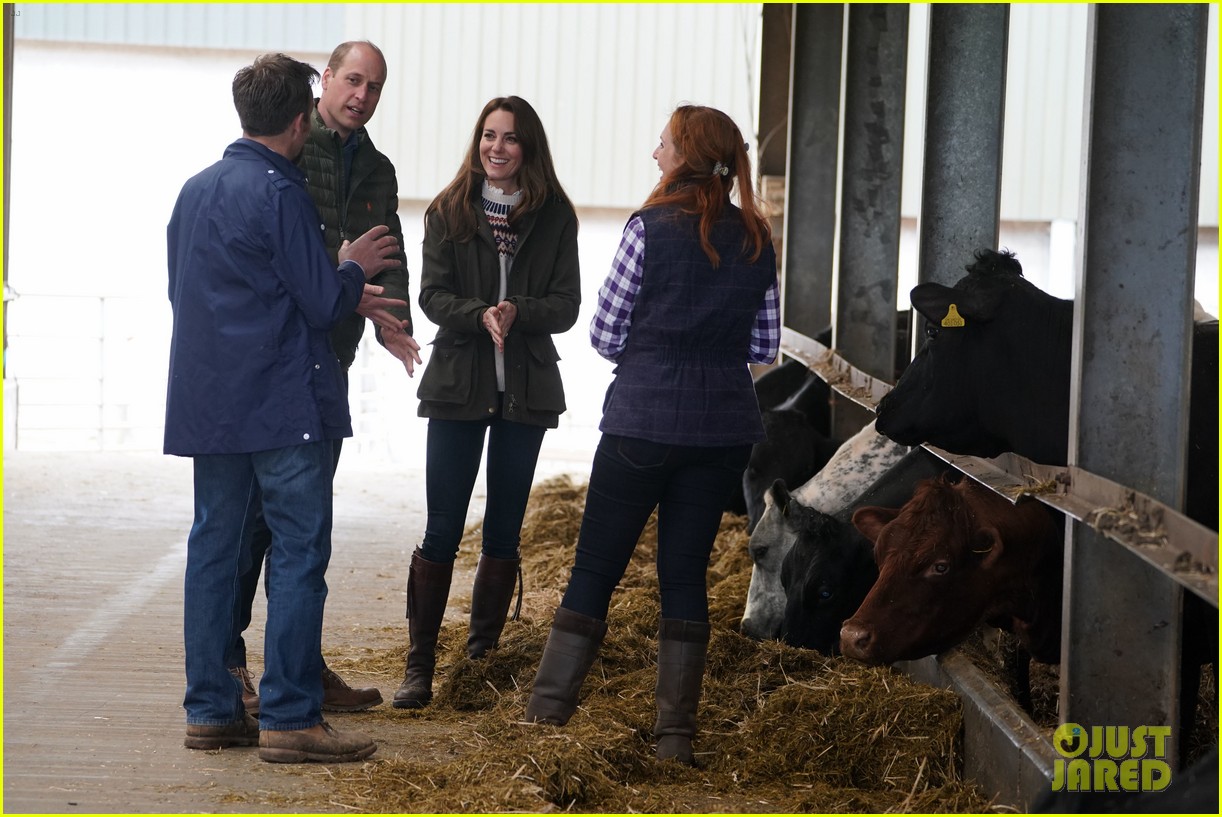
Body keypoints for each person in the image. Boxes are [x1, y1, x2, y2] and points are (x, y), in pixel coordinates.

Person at [166, 52, 406, 763]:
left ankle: (211, 708)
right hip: (280, 403)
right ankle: (291, 715)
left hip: (211, 402)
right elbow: (323, 302)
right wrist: (353, 267)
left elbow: (183, 291)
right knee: (299, 553)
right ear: (300, 121)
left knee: (214, 547)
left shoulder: (194, 191)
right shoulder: (282, 193)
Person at [524, 105, 780, 765]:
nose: (655, 153)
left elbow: (606, 333)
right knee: (685, 575)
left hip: (642, 420)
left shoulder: (648, 227)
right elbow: (764, 346)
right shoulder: (757, 236)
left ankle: (547, 714)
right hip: (722, 429)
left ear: (685, 154)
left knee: (596, 568)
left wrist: (656, 354)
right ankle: (675, 737)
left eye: (663, 143)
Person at [226, 40, 421, 716]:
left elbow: (388, 251)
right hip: (275, 359)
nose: (363, 96)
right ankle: (229, 665)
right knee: (254, 524)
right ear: (327, 79)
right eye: (354, 80)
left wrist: (393, 319)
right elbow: (279, 252)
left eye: (375, 86)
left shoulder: (377, 167)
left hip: (329, 362)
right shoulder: (285, 143)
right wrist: (340, 270)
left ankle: (299, 666)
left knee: (306, 527)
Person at [392, 96, 580, 710]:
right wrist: (479, 315)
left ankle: (480, 664)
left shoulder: (556, 215)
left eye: (511, 138)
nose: (497, 148)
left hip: (527, 390)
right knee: (442, 528)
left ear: (529, 147)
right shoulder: (448, 209)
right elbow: (432, 295)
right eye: (489, 136)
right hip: (457, 385)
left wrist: (519, 311)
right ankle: (419, 667)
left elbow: (567, 304)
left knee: (504, 530)